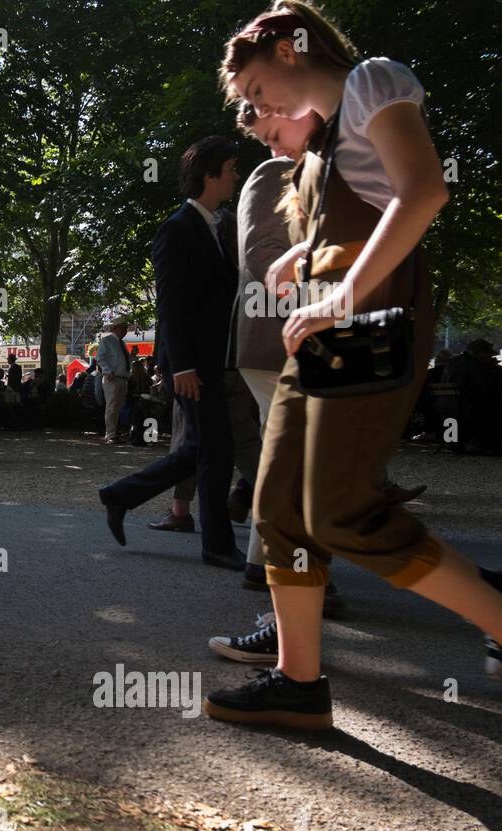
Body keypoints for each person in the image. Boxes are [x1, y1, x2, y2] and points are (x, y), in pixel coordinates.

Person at [205, 0, 502, 730]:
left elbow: (423, 190)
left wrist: (336, 292)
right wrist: (305, 259)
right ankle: (298, 682)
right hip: (329, 336)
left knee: (339, 511)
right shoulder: (325, 145)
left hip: (374, 329)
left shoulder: (372, 80)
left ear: (286, 49)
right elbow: (365, 210)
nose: (256, 110)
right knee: (278, 509)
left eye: (253, 94)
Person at [98, 136, 243, 570]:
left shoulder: (218, 225)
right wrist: (181, 366)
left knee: (202, 449)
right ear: (211, 175)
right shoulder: (177, 228)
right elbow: (171, 305)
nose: (237, 175)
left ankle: (120, 495)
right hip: (192, 364)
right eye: (232, 168)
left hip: (210, 359)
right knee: (215, 452)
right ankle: (217, 545)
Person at [96, 319, 131, 443]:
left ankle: (113, 433)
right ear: (115, 328)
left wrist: (133, 355)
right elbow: (100, 357)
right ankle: (110, 434)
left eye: (126, 328)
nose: (125, 330)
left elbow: (121, 360)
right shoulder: (107, 341)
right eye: (123, 327)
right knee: (112, 407)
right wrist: (108, 370)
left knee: (117, 407)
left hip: (122, 378)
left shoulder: (122, 344)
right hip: (113, 378)